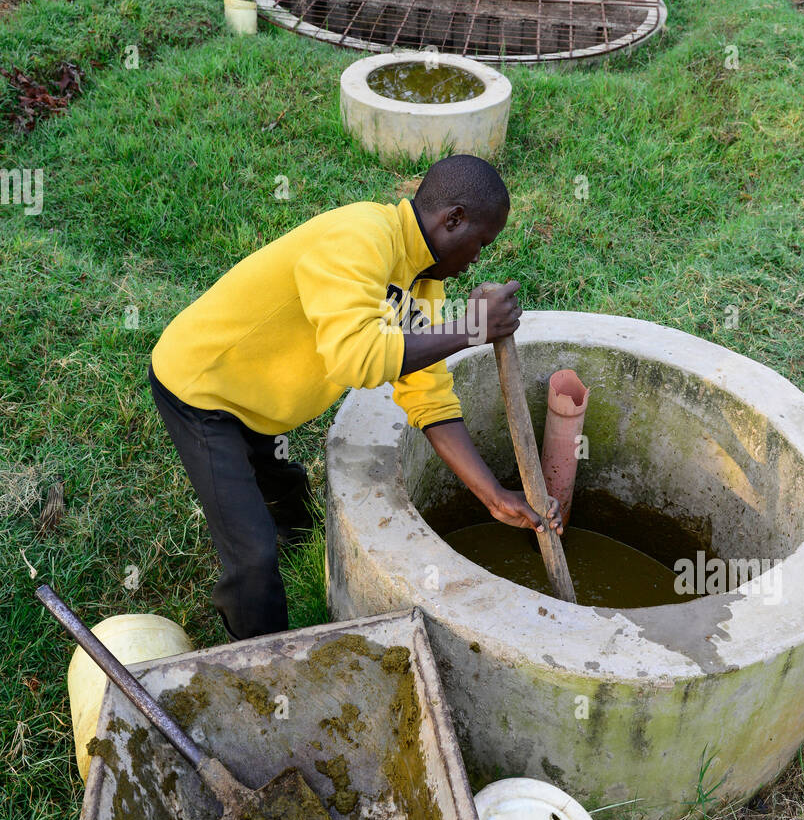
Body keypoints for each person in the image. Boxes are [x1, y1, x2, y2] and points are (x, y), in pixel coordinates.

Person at [149, 154, 562, 640]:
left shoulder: (420, 285)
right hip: (204, 389)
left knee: (281, 486)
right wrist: (471, 329)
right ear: (453, 219)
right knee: (253, 557)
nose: (477, 257)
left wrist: (492, 496)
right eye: (481, 242)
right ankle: (259, 662)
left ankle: (293, 531)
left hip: (260, 401)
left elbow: (427, 396)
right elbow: (356, 358)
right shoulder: (360, 237)